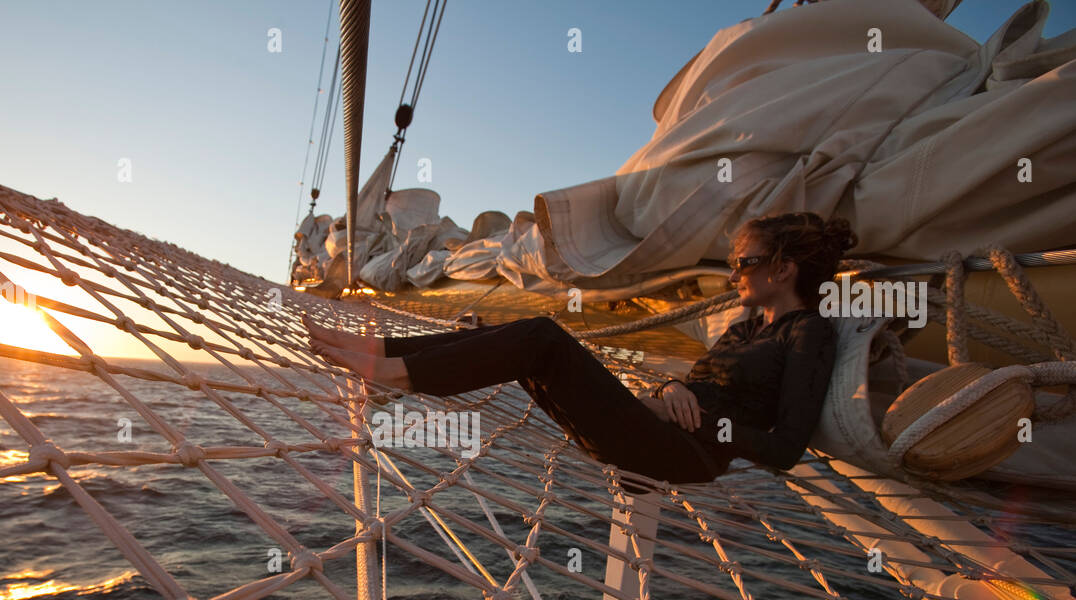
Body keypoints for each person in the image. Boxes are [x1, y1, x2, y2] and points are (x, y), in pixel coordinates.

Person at [305, 212, 857, 494]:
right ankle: (386, 353)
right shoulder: (742, 331)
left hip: (682, 456)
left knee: (542, 338)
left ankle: (396, 373)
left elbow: (785, 449)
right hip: (650, 427)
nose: (734, 273)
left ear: (783, 270)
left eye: (744, 262)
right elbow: (693, 385)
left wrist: (705, 421)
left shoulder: (808, 335)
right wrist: (670, 390)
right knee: (524, 338)